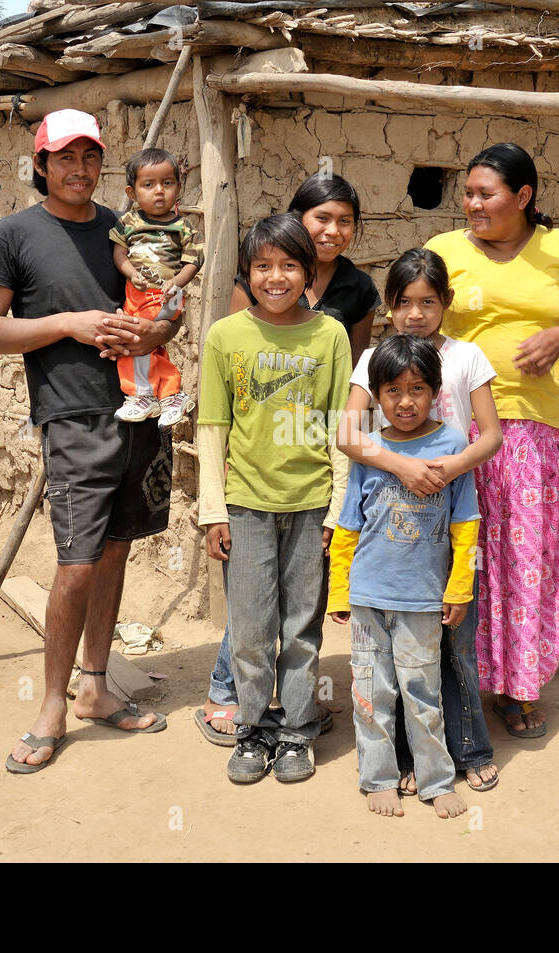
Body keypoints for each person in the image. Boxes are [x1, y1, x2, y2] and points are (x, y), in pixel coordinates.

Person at [0, 108, 169, 774]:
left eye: (90, 157)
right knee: (76, 562)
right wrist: (69, 324)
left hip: (139, 410)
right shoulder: (15, 235)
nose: (79, 169)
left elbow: (162, 310)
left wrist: (152, 333)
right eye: (65, 157)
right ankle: (51, 705)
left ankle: (96, 685)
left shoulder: (125, 227)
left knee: (115, 553)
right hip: (72, 417)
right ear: (41, 163)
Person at [425, 143, 559, 738]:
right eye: (468, 192)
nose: (472, 204)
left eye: (486, 194)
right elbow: (412, 316)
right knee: (452, 555)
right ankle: (445, 679)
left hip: (534, 434)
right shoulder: (444, 251)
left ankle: (516, 684)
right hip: (454, 429)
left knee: (523, 561)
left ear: (524, 197)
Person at [196, 172, 381, 743]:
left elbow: (341, 425)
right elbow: (212, 426)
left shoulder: (329, 336)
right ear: (247, 274)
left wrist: (336, 510)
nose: (275, 278)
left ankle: (299, 726)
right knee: (251, 627)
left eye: (289, 267)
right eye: (262, 268)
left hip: (311, 504)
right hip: (246, 503)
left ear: (307, 274)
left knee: (302, 627)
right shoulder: (226, 336)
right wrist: (211, 510)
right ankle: (251, 728)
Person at [335, 248, 503, 793]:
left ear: (446, 303)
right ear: (388, 306)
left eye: (427, 302)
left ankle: (468, 749)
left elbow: (491, 436)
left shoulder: (467, 355)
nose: (415, 313)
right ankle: (401, 766)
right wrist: (403, 466)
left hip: (449, 505)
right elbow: (348, 435)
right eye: (404, 302)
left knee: (453, 647)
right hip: (389, 501)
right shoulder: (373, 360)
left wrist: (449, 467)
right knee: (388, 669)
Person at [328, 333, 479, 819]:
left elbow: (465, 526)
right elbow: (349, 525)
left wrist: (460, 587)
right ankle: (378, 779)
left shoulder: (454, 446)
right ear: (376, 395)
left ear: (436, 390)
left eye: (416, 389)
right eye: (392, 391)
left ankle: (437, 780)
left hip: (422, 601)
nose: (405, 401)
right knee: (371, 691)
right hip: (370, 596)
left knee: (422, 691)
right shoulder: (368, 451)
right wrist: (339, 590)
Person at [111, 147, 202, 428]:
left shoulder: (183, 227)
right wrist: (130, 273)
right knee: (144, 344)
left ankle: (143, 394)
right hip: (136, 294)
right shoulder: (129, 223)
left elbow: (193, 261)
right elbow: (119, 254)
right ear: (132, 193)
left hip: (167, 296)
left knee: (136, 343)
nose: (159, 191)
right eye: (148, 185)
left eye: (167, 183)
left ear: (178, 186)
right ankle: (170, 395)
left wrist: (176, 283)